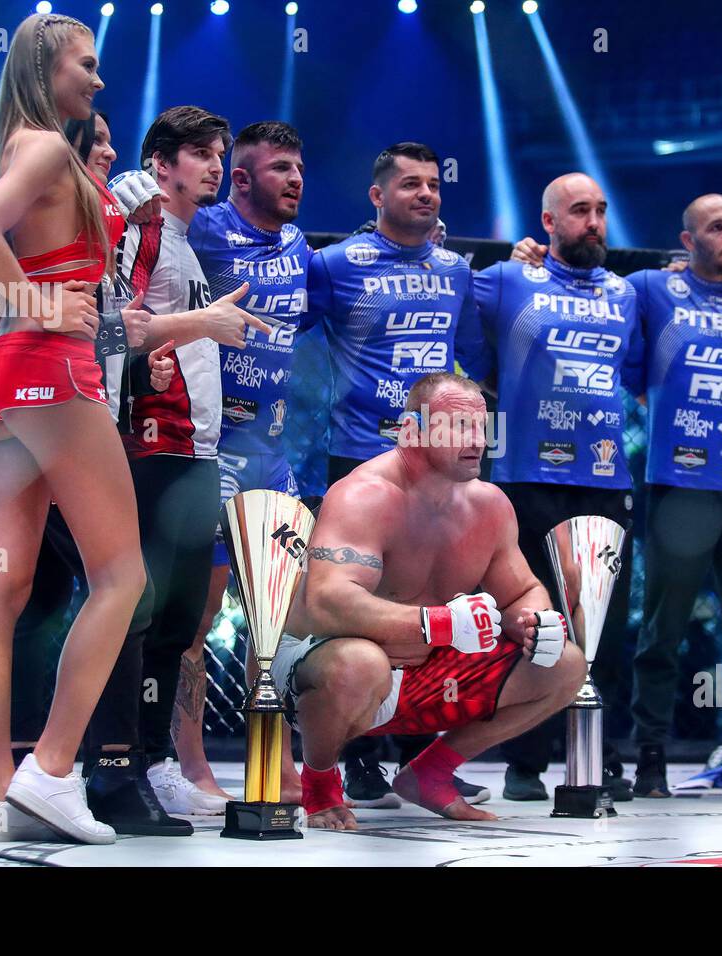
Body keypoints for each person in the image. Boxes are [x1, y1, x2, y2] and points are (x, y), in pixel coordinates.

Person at [0, 12, 141, 844]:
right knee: (122, 576)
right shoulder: (43, 148)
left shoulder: (15, 146)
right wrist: (37, 302)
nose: (98, 80)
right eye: (87, 65)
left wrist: (22, 302)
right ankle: (54, 769)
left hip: (3, 384)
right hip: (55, 377)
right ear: (46, 65)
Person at [269, 372, 585, 829]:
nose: (476, 440)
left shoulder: (489, 505)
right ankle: (319, 780)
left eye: (481, 427)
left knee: (566, 664)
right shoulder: (365, 495)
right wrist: (436, 623)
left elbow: (521, 592)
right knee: (361, 663)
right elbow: (326, 602)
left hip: (420, 676)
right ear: (413, 431)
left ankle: (431, 773)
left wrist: (537, 622)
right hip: (321, 674)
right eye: (458, 427)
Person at [79, 106, 270, 833]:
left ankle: (153, 759)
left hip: (195, 448)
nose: (215, 165)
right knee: (140, 611)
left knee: (183, 618)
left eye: (219, 153)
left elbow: (145, 334)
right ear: (162, 162)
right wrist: (202, 325)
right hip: (147, 444)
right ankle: (112, 767)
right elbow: (108, 325)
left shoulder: (185, 241)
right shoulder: (140, 217)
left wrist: (192, 328)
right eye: (199, 153)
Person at [305, 143, 489, 808]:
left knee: (437, 595)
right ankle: (355, 755)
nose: (427, 194)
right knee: (360, 606)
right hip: (360, 454)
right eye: (410, 184)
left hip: (435, 463)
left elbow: (472, 353)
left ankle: (419, 748)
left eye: (434, 184)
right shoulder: (333, 264)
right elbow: (279, 327)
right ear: (376, 195)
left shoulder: (455, 269)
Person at [480, 173, 642, 802]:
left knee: (609, 624)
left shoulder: (628, 294)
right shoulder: (506, 278)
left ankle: (606, 757)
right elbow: (466, 340)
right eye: (580, 212)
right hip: (527, 476)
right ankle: (525, 761)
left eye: (601, 210)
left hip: (605, 481)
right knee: (534, 623)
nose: (594, 222)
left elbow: (636, 366)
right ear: (547, 222)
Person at [625, 194, 722, 797]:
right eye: (716, 228)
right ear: (687, 240)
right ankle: (649, 757)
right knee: (663, 628)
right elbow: (628, 361)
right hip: (678, 485)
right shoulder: (651, 287)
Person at [176, 120, 312, 806]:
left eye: (298, 168)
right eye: (280, 168)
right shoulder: (201, 230)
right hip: (208, 449)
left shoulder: (300, 246)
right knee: (198, 618)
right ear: (241, 178)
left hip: (273, 455)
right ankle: (189, 760)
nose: (294, 179)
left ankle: (277, 760)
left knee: (279, 621)